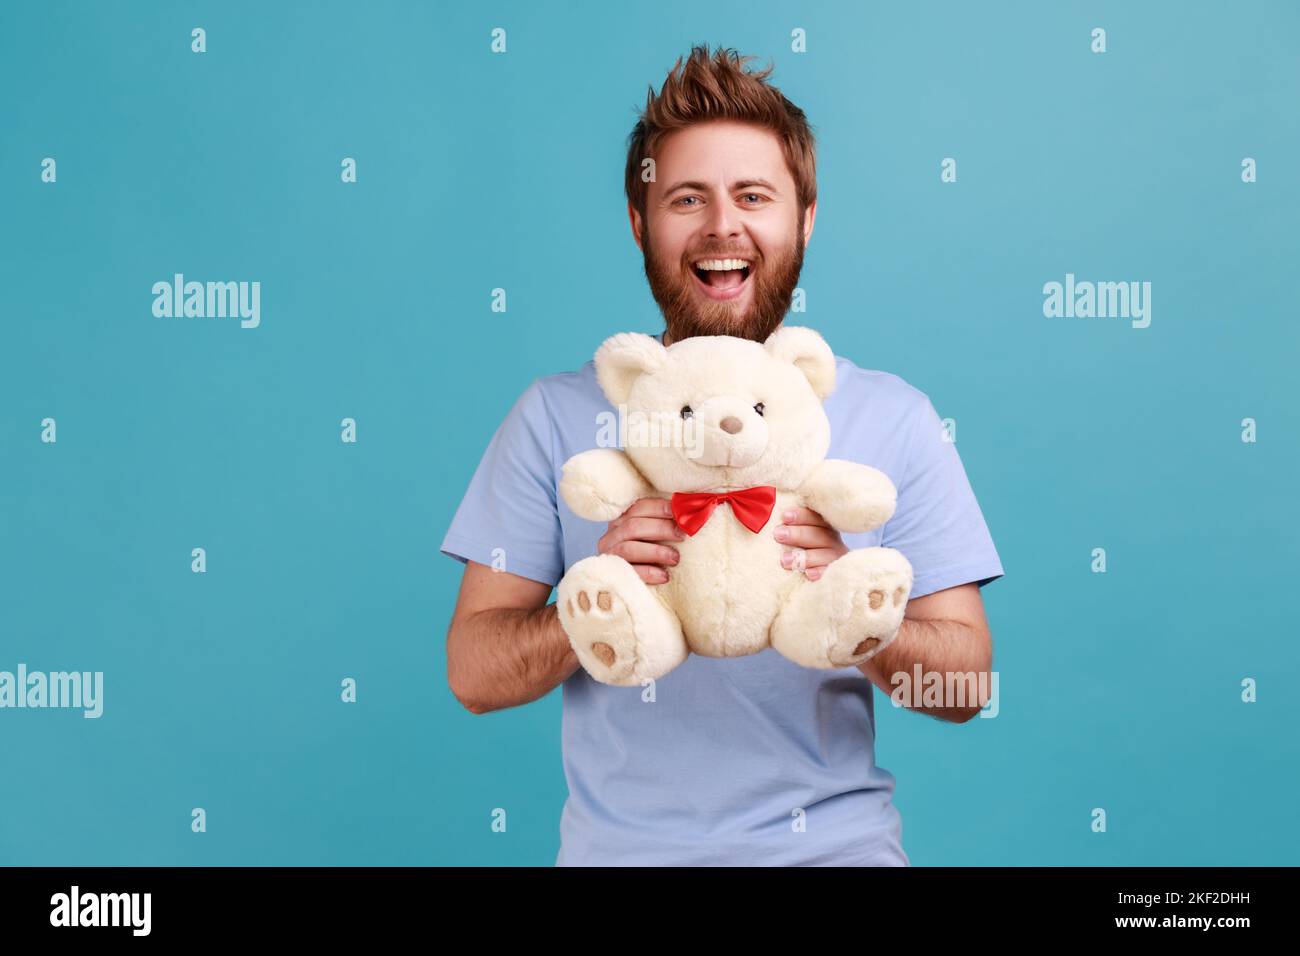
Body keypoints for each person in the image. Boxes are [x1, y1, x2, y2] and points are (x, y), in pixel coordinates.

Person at [440, 45, 1004, 866]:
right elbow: (472, 675)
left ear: (804, 218)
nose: (722, 227)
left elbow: (966, 689)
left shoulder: (894, 418)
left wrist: (859, 613)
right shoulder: (556, 417)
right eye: (686, 198)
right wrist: (588, 606)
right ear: (640, 221)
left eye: (753, 196)